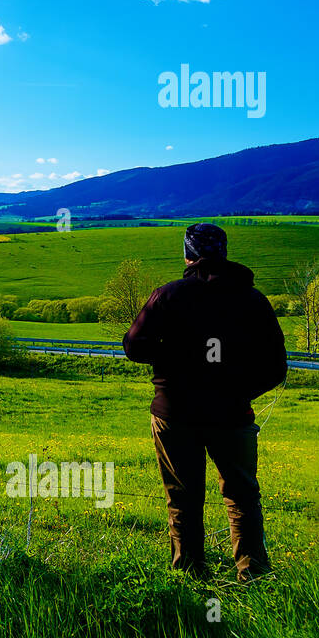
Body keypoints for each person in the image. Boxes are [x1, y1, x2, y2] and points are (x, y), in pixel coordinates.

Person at [122, 223, 287, 582]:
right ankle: (253, 575)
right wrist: (238, 391)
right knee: (242, 496)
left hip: (175, 412)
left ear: (188, 255)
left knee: (183, 497)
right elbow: (276, 367)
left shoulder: (169, 295)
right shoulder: (253, 300)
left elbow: (134, 346)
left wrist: (171, 357)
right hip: (232, 415)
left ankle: (190, 576)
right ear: (224, 253)